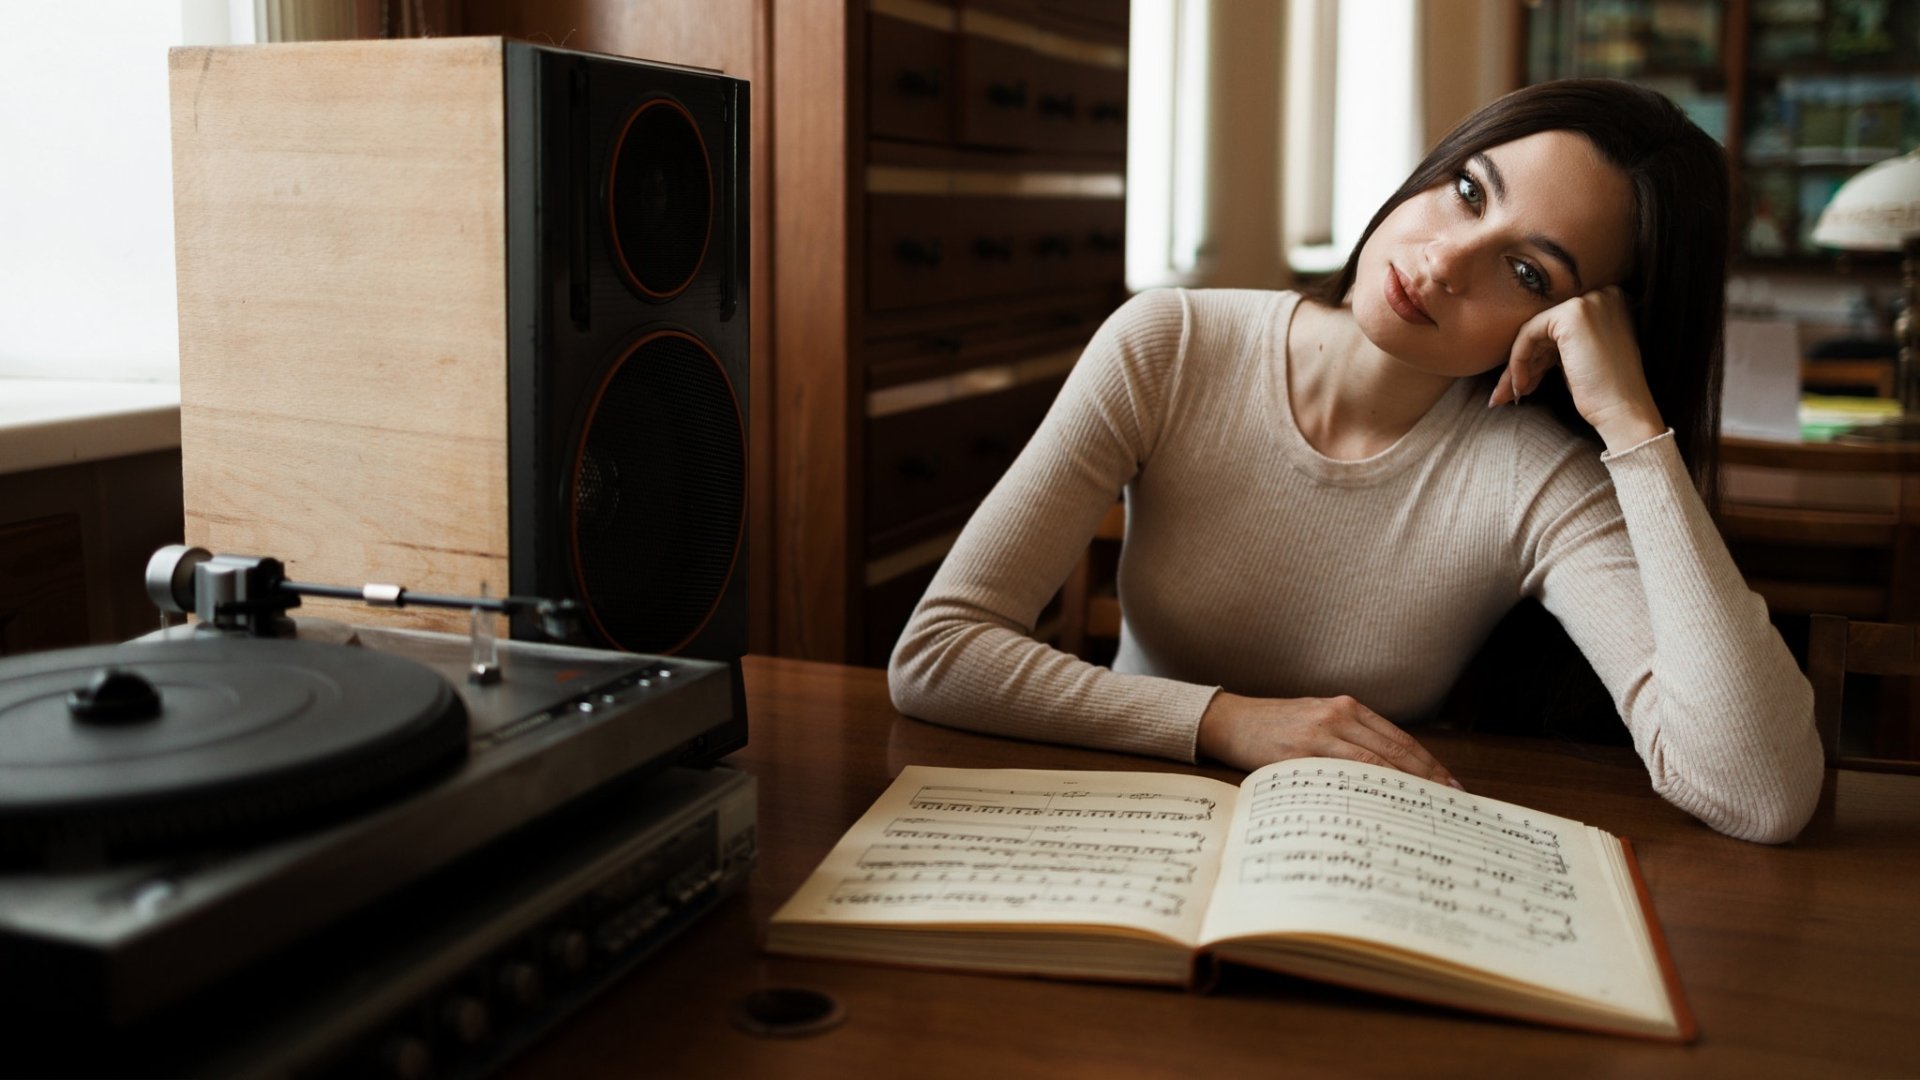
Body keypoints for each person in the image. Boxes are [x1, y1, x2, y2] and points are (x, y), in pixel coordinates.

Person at [887, 79, 1825, 845]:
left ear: (1570, 326)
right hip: (1118, 818)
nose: (1446, 261)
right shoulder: (1169, 343)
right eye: (1468, 191)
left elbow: (1760, 793)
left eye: (1529, 273)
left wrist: (1630, 420)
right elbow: (939, 654)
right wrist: (1230, 722)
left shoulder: (1532, 478)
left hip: (1337, 858)